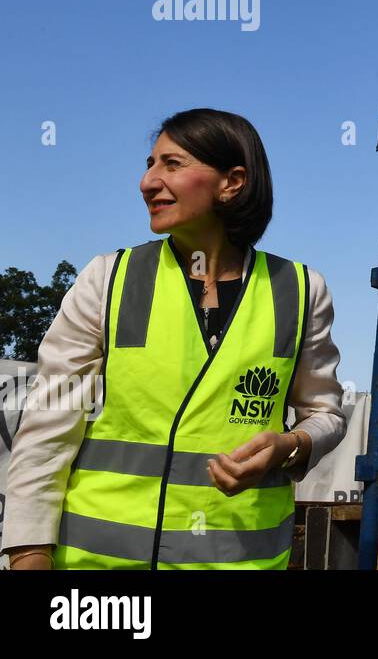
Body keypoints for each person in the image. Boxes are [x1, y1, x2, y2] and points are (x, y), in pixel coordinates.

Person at [2, 109, 346, 570]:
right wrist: (28, 552)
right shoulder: (109, 280)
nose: (147, 181)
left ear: (233, 182)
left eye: (172, 164)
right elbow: (47, 429)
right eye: (150, 164)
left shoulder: (300, 291)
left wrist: (293, 445)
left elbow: (325, 413)